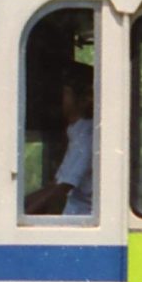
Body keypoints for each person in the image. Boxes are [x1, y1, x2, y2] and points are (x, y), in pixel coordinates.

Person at [24, 63, 96, 217]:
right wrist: (21, 205)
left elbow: (61, 188)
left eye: (65, 93)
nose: (58, 98)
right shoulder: (76, 131)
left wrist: (23, 215)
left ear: (84, 100)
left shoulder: (87, 136)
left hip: (81, 220)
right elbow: (54, 186)